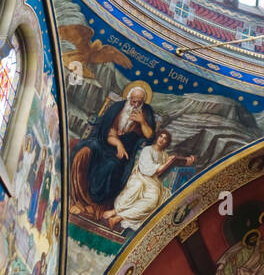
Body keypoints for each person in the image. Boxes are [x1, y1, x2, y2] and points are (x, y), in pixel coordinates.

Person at [70, 82, 157, 220]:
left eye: (138, 102)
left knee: (111, 167)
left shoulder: (145, 112)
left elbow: (150, 136)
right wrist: (117, 143)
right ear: (128, 98)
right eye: (133, 100)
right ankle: (78, 199)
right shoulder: (118, 107)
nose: (135, 104)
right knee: (84, 152)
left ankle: (93, 204)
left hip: (124, 152)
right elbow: (108, 130)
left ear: (143, 102)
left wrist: (142, 122)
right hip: (105, 142)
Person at [104, 130, 195, 231]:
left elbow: (166, 164)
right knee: (136, 188)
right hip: (141, 177)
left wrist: (184, 160)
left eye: (165, 139)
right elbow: (150, 170)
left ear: (167, 143)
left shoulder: (163, 154)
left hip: (152, 182)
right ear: (157, 137)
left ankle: (118, 218)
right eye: (161, 136)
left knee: (152, 200)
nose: (162, 139)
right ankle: (115, 211)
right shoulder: (147, 150)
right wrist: (170, 161)